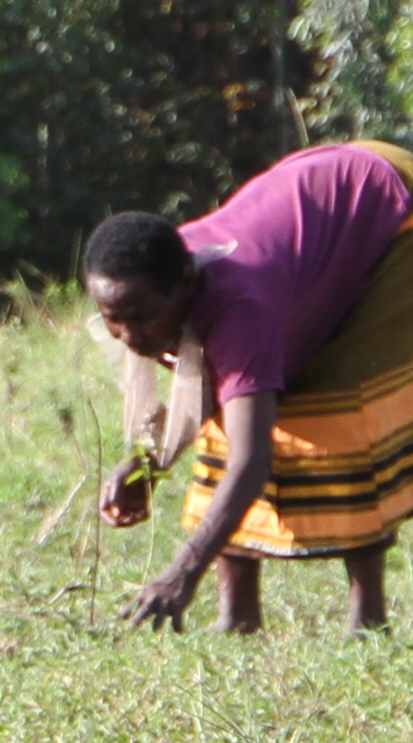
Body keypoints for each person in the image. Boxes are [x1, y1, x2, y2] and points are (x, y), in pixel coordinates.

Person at [85, 142, 413, 632]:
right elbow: (207, 390)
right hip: (321, 190)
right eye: (113, 319)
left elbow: (250, 461)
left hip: (389, 205)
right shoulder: (150, 268)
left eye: (140, 318)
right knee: (235, 414)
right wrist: (148, 462)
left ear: (186, 285)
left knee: (334, 398)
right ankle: (237, 616)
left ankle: (367, 617)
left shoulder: (239, 309)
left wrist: (181, 575)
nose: (129, 336)